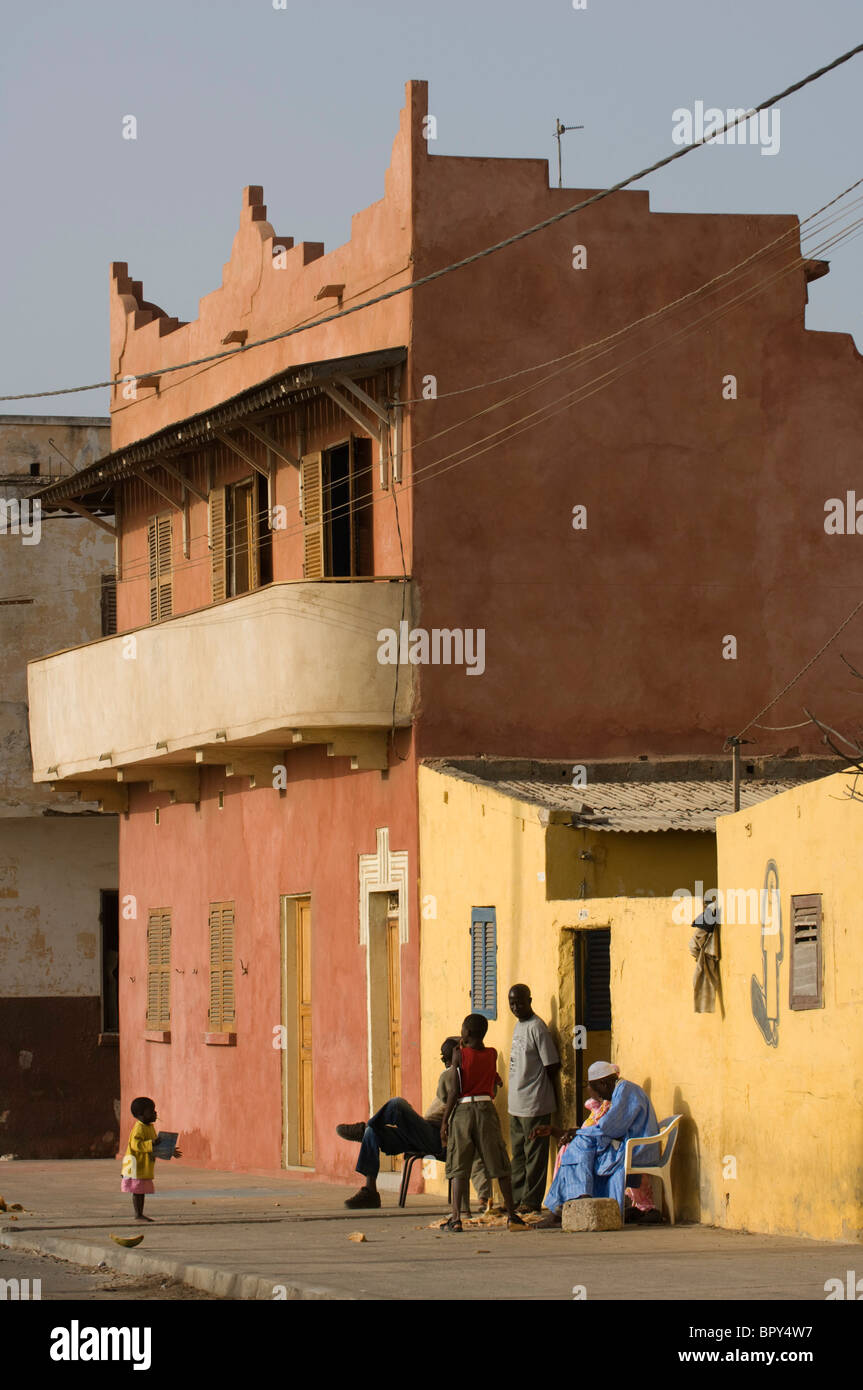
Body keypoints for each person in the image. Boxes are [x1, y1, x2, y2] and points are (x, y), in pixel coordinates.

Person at [336, 1037, 492, 1211]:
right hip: (422, 1133)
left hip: (438, 1139)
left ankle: (368, 1125)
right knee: (372, 1134)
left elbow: (477, 1155)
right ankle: (370, 1192)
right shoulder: (451, 1075)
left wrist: (484, 1198)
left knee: (397, 1105)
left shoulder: (463, 1076)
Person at [536, 1061, 659, 1228]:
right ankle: (568, 1204)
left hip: (638, 1149)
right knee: (580, 1147)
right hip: (627, 1146)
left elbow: (610, 1127)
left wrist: (578, 1132)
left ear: (603, 1083)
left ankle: (575, 1201)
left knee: (580, 1143)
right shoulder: (622, 1090)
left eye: (597, 1091)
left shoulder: (626, 1090)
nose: (600, 1098)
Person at [440, 1014, 526, 1232]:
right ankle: (512, 1214)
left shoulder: (459, 1054)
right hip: (486, 1108)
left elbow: (454, 1090)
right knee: (498, 1162)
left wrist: (445, 1121)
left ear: (466, 1033)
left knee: (459, 1164)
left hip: (464, 1109)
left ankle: (456, 1218)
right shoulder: (492, 1054)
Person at [507, 983, 561, 1213]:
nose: (516, 1007)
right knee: (518, 1155)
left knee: (535, 1156)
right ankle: (516, 1198)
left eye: (520, 1002)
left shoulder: (537, 1028)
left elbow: (552, 1064)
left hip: (534, 1104)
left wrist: (540, 1092)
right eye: (512, 1003)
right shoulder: (519, 1027)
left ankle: (531, 1201)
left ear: (530, 1000)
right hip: (516, 1105)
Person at [120, 1096, 181, 1222]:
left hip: (143, 1165)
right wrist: (152, 1143)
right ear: (141, 1115)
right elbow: (136, 1145)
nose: (155, 1113)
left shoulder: (149, 1127)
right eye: (151, 1111)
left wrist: (169, 1151)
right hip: (135, 1166)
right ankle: (138, 1214)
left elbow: (155, 1146)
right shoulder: (139, 1128)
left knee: (140, 1191)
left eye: (154, 1110)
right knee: (137, 1191)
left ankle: (139, 1213)